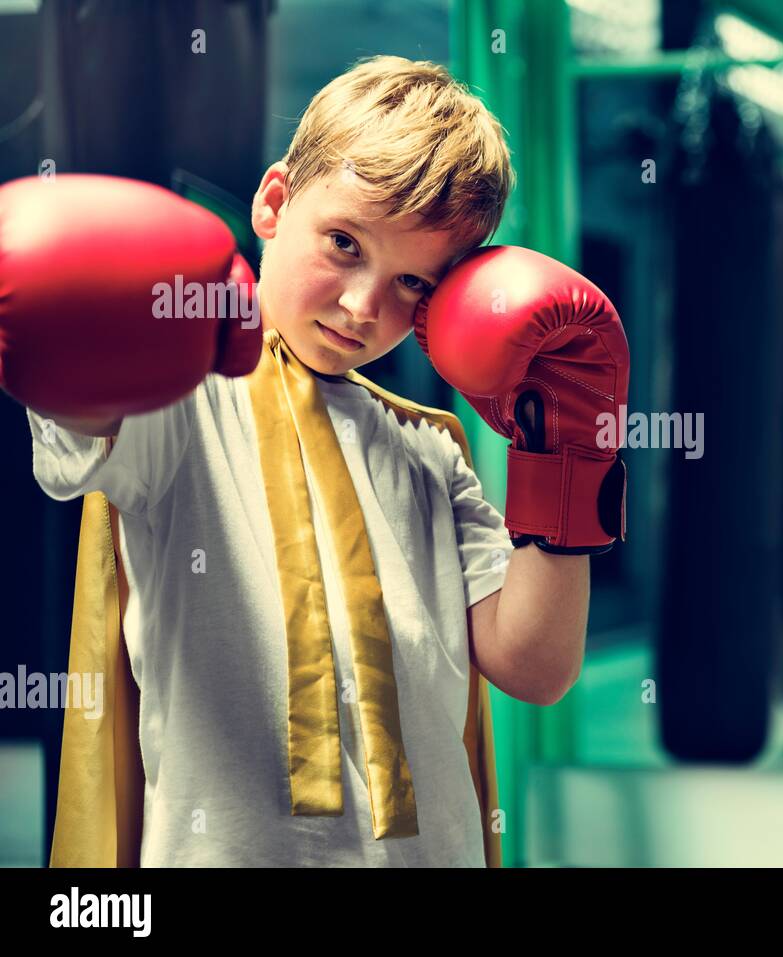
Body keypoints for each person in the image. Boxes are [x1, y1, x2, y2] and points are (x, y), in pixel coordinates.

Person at [0, 55, 628, 866]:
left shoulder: (430, 447)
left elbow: (536, 667)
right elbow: (83, 414)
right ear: (272, 203)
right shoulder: (177, 407)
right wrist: (66, 315)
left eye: (412, 282)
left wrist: (567, 451)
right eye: (343, 242)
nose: (363, 305)